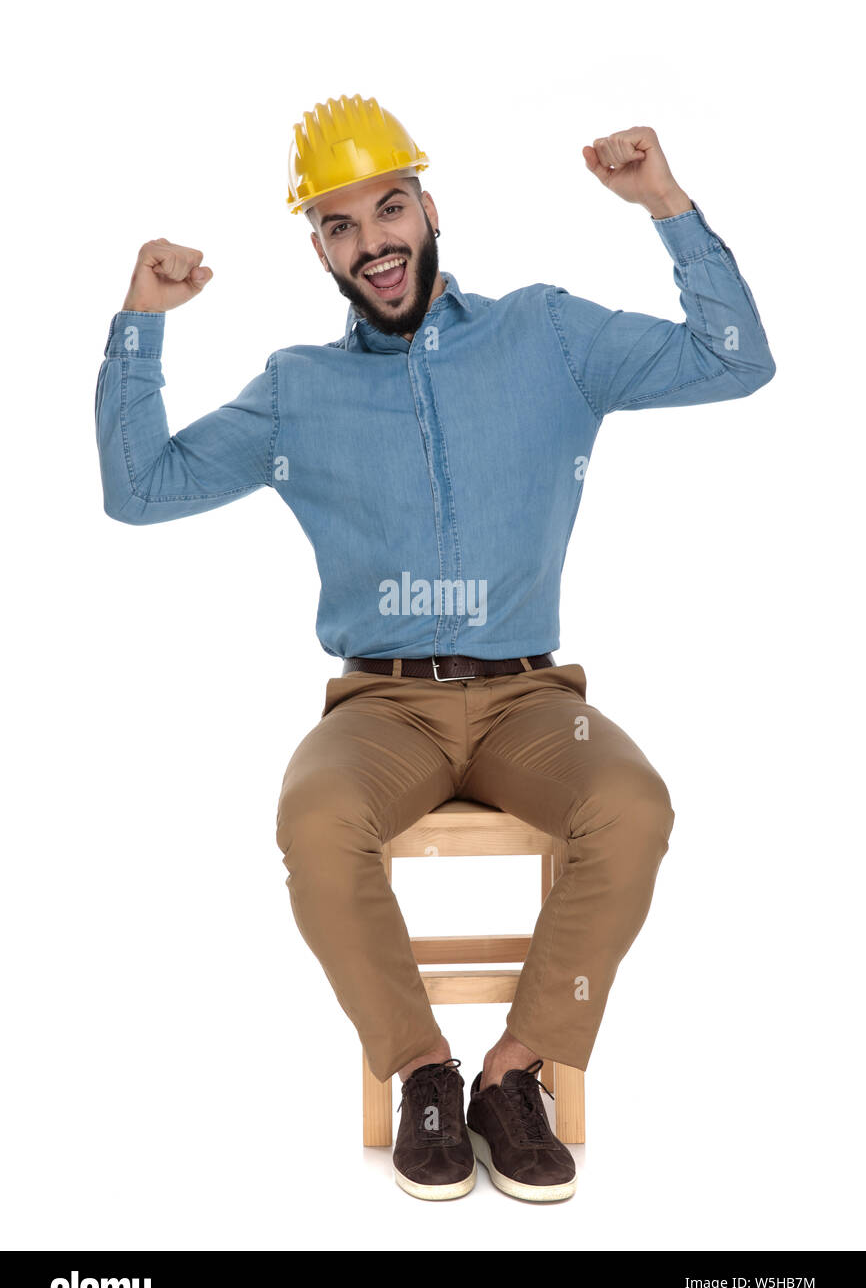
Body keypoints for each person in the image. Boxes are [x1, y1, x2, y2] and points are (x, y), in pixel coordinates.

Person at [95, 93, 775, 1204]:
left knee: (633, 802)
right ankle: (419, 1068)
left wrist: (661, 203)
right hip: (380, 712)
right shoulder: (296, 392)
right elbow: (139, 489)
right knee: (313, 815)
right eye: (338, 225)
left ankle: (514, 1075)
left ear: (428, 206)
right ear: (316, 246)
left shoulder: (546, 335)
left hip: (528, 702)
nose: (372, 243)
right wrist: (141, 322)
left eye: (388, 207)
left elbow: (736, 358)